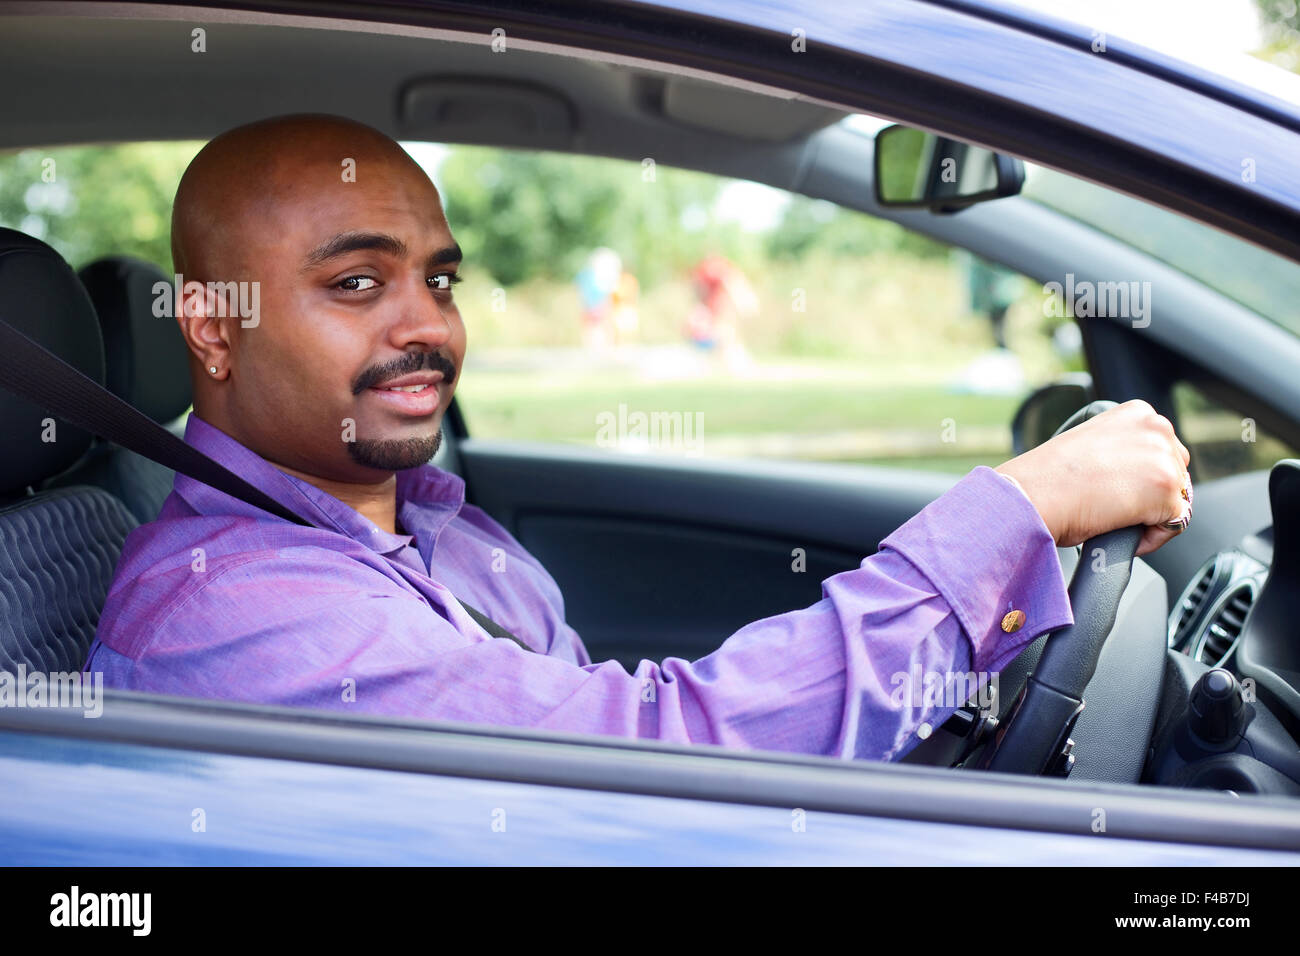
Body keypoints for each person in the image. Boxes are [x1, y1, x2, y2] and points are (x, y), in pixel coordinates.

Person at [85, 114, 1193, 762]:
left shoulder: (419, 521)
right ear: (214, 328)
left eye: (439, 278)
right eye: (357, 282)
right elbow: (657, 756)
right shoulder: (236, 616)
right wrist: (1012, 513)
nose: (424, 321)